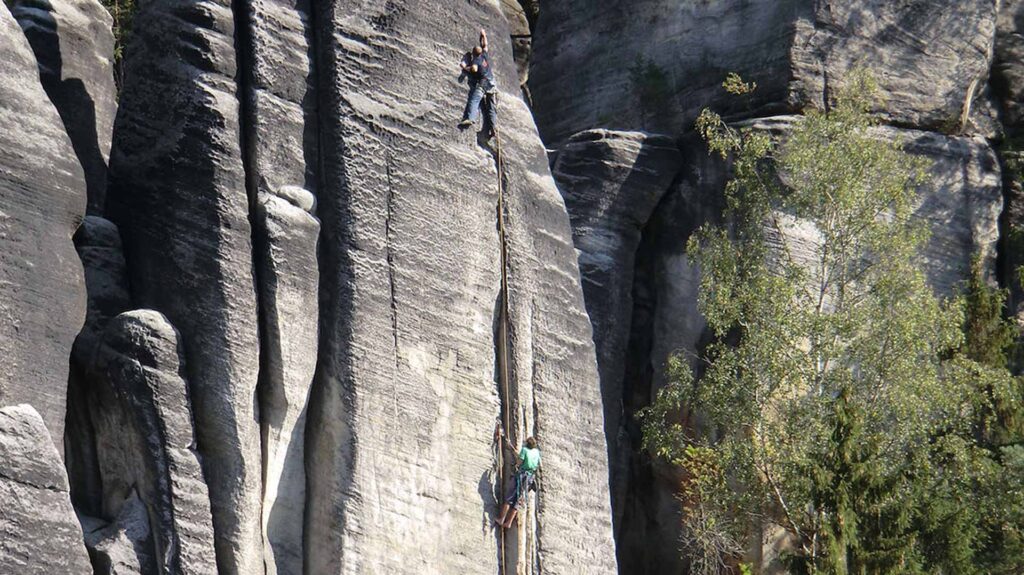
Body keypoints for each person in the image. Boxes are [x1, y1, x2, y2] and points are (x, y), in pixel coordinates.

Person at [494, 425, 540, 529]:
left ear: (527, 444)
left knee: (510, 497)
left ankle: (501, 519)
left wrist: (516, 465)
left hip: (521, 476)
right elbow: (537, 464)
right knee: (518, 500)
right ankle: (508, 523)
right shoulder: (537, 452)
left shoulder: (524, 450)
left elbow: (519, 461)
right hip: (530, 478)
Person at [458, 28, 497, 137]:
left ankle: (470, 118)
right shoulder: (484, 54)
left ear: (473, 54)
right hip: (492, 83)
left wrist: (465, 68)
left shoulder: (476, 59)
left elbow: (474, 69)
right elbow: (485, 44)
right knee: (491, 107)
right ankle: (493, 127)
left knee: (474, 100)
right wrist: (483, 35)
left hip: (483, 83)